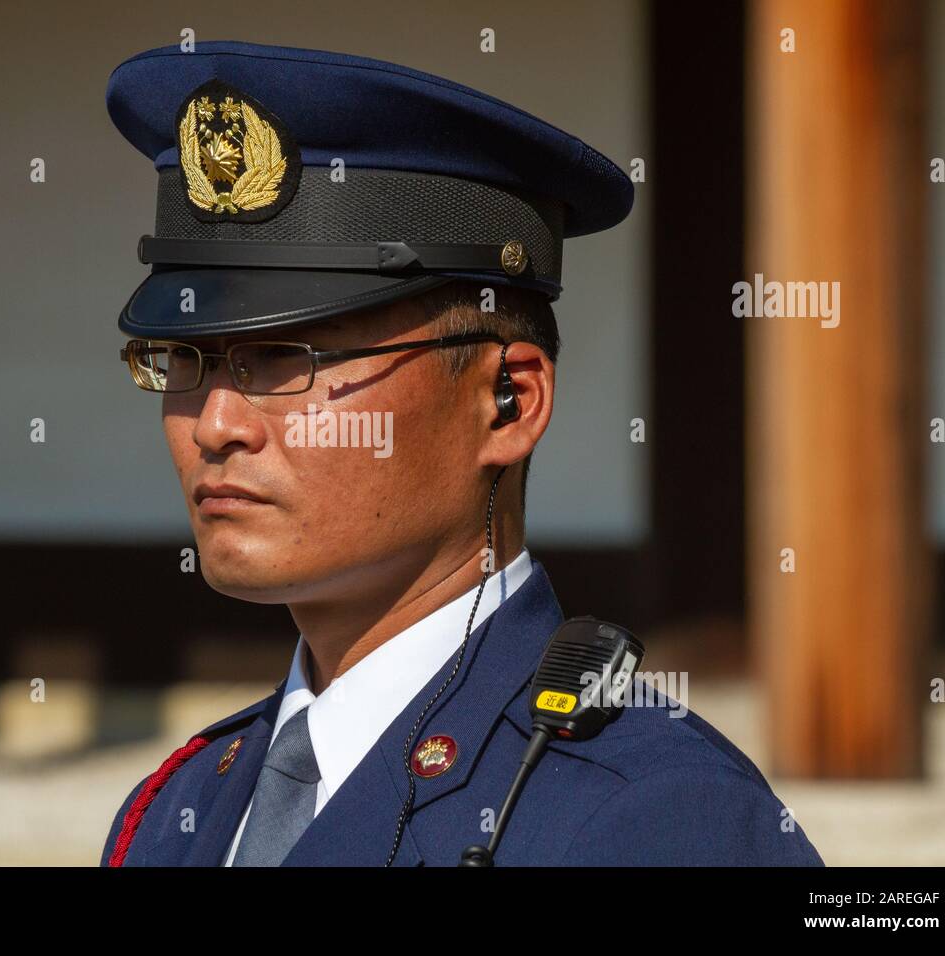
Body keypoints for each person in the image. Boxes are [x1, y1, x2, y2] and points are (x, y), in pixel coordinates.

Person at [99, 40, 824, 866]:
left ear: (508, 401)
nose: (215, 423)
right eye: (185, 360)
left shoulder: (654, 820)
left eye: (285, 359)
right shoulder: (179, 808)